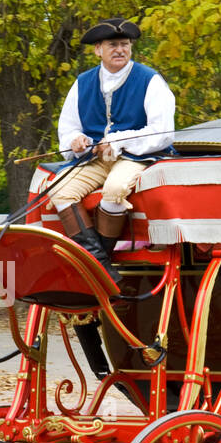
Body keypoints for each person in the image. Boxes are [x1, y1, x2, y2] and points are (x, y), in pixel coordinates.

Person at [52, 16, 176, 279]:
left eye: (125, 44)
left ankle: (98, 266)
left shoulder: (150, 80)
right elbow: (68, 127)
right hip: (95, 159)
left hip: (138, 155)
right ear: (98, 50)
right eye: (113, 45)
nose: (120, 49)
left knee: (115, 189)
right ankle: (100, 265)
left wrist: (120, 140)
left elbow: (162, 132)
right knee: (60, 191)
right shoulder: (82, 83)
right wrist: (76, 140)